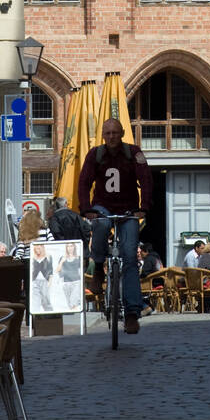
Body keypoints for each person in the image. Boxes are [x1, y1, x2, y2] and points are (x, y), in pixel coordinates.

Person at [78, 117, 153, 335]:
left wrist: (144, 207)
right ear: (103, 135)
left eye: (115, 133)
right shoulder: (95, 154)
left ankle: (132, 314)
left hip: (128, 208)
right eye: (107, 133)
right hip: (103, 206)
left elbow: (146, 180)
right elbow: (84, 182)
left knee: (130, 257)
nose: (111, 137)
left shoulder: (133, 152)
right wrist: (86, 208)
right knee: (100, 225)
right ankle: (99, 267)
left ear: (121, 134)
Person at [57, 242, 83, 311]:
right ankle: (74, 317)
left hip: (76, 281)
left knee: (73, 301)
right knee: (69, 304)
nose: (70, 248)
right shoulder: (63, 258)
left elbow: (81, 270)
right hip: (66, 283)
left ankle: (76, 318)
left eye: (71, 246)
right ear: (66, 248)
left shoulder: (78, 258)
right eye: (68, 246)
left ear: (74, 247)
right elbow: (57, 270)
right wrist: (62, 261)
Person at [31, 243, 53, 312]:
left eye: (39, 248)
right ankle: (36, 316)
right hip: (35, 281)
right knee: (35, 301)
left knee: (46, 301)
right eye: (36, 248)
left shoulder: (48, 257)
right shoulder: (33, 257)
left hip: (44, 281)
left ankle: (51, 316)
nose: (38, 250)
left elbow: (50, 270)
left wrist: (50, 282)